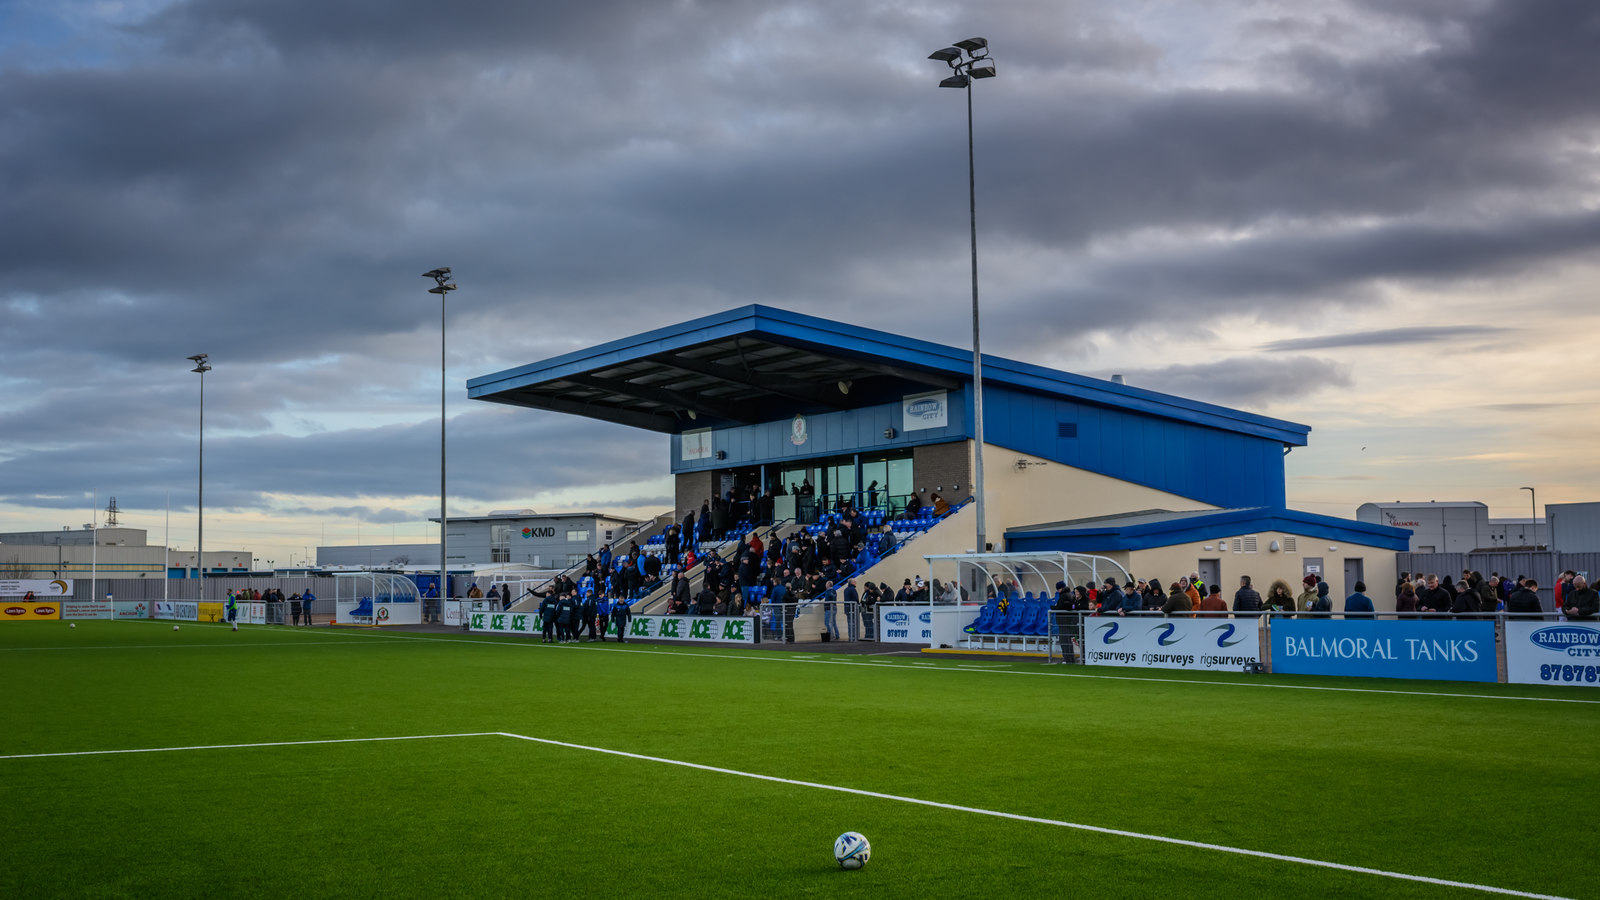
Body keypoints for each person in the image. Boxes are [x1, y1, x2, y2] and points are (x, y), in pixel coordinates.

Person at [843, 577, 860, 641]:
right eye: (855, 582)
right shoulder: (852, 589)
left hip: (847, 609)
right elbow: (856, 599)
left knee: (849, 623)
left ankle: (850, 637)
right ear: (852, 582)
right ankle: (853, 637)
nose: (856, 583)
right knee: (853, 624)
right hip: (852, 609)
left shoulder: (845, 590)